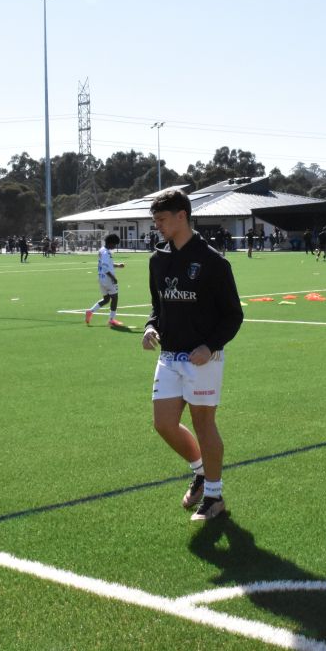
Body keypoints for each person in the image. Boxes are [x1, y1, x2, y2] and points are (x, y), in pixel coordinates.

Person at [142, 188, 243, 523]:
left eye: (162, 219)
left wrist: (210, 346)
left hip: (203, 359)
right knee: (163, 424)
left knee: (204, 424)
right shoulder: (157, 260)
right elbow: (158, 306)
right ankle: (200, 472)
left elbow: (233, 315)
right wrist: (150, 326)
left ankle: (214, 496)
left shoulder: (213, 261)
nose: (157, 225)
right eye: (155, 220)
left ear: (182, 216)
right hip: (169, 357)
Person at [86, 233, 125, 326]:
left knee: (106, 299)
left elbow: (105, 264)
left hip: (101, 278)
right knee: (115, 298)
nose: (115, 246)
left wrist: (117, 265)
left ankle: (90, 311)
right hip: (108, 279)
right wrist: (113, 277)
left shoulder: (101, 250)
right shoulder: (106, 253)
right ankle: (112, 320)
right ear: (111, 243)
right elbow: (105, 267)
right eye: (115, 244)